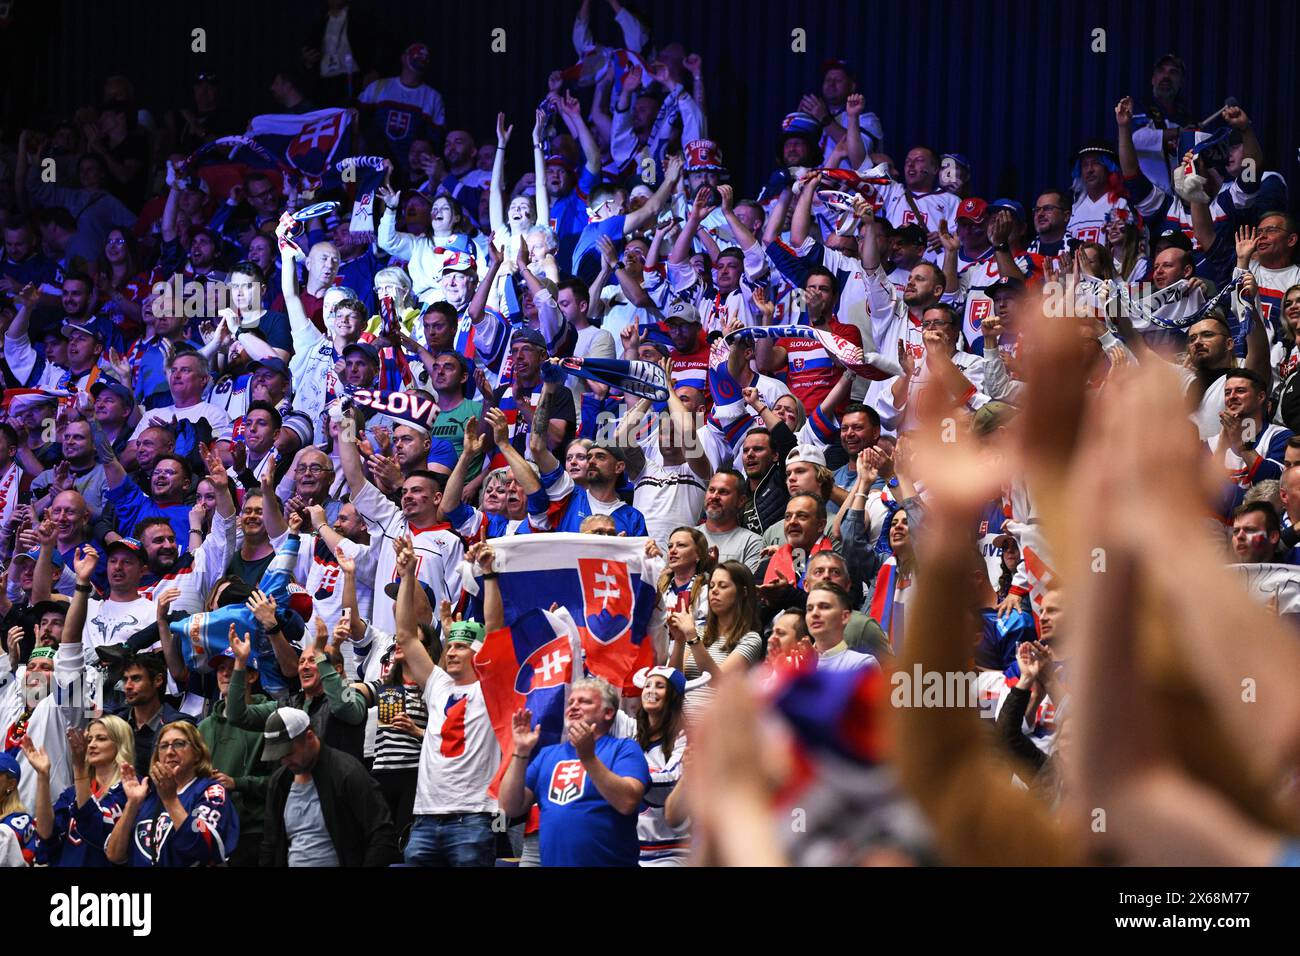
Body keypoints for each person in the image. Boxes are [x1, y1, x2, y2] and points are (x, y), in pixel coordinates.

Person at [500, 676, 650, 867]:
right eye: (570, 702)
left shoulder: (625, 748)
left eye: (584, 701)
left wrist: (588, 759)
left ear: (609, 712)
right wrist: (520, 751)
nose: (573, 707)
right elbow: (510, 807)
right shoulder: (548, 754)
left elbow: (628, 802)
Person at [258, 705, 400, 867]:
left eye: (289, 753)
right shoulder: (279, 781)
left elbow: (382, 832)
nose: (284, 761)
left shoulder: (346, 772)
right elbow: (270, 843)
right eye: (279, 756)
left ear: (309, 737)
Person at [105, 721, 239, 866]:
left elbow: (202, 846)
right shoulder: (147, 796)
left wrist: (170, 800)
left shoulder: (210, 792)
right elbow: (114, 855)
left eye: (179, 744)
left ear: (197, 753)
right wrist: (132, 803)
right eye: (163, 746)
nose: (169, 752)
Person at [20, 716, 134, 867]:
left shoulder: (130, 789)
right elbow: (46, 833)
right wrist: (43, 776)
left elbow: (94, 828)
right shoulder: (72, 792)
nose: (92, 745)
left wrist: (79, 768)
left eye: (101, 738)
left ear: (120, 743)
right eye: (89, 740)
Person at [197, 645, 271, 868]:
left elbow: (281, 782)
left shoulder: (269, 718)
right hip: (208, 830)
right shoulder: (203, 727)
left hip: (253, 834)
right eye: (221, 668)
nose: (225, 673)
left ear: (252, 675)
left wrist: (237, 783)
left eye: (233, 667)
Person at [667, 560, 763, 720]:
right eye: (711, 586)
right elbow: (675, 681)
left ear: (743, 592)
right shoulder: (698, 633)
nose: (714, 591)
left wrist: (691, 637)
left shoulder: (751, 638)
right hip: (681, 725)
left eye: (723, 586)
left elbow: (718, 682)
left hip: (716, 727)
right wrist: (679, 641)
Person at [632, 665, 692, 866]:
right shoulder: (632, 730)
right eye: (647, 685)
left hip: (673, 851)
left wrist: (629, 781)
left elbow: (671, 781)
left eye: (659, 686)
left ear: (672, 696)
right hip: (634, 848)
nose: (650, 691)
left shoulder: (685, 737)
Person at [700, 470, 765, 572]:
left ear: (741, 501)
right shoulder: (687, 537)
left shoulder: (752, 543)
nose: (714, 497)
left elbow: (747, 586)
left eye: (723, 492)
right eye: (711, 490)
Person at [804, 582, 878, 671]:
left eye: (824, 607)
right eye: (809, 609)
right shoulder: (794, 662)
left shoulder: (863, 664)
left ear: (845, 616)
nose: (814, 613)